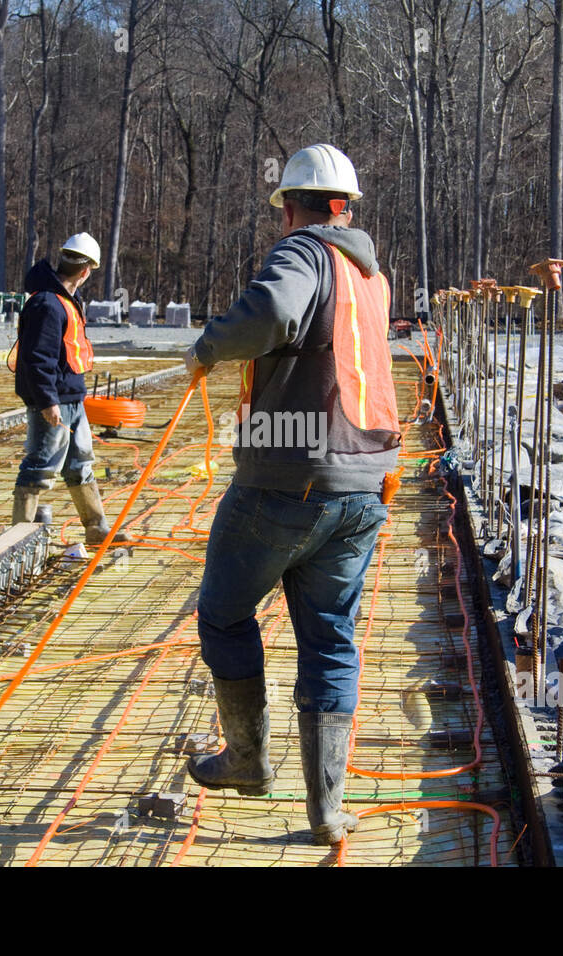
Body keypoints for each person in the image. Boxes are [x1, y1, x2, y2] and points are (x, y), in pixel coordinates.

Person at [183, 144, 401, 844]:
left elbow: (272, 311)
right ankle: (328, 810)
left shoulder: (303, 254)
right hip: (363, 486)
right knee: (331, 641)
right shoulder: (370, 275)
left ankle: (248, 760)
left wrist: (209, 345)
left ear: (290, 205)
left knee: (222, 613)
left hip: (289, 481)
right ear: (348, 206)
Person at [12, 232, 130, 545]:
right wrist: (48, 402)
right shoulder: (47, 304)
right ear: (86, 271)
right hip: (54, 402)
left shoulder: (63, 300)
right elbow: (38, 359)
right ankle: (16, 542)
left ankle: (96, 528)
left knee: (80, 466)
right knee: (39, 467)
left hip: (72, 400)